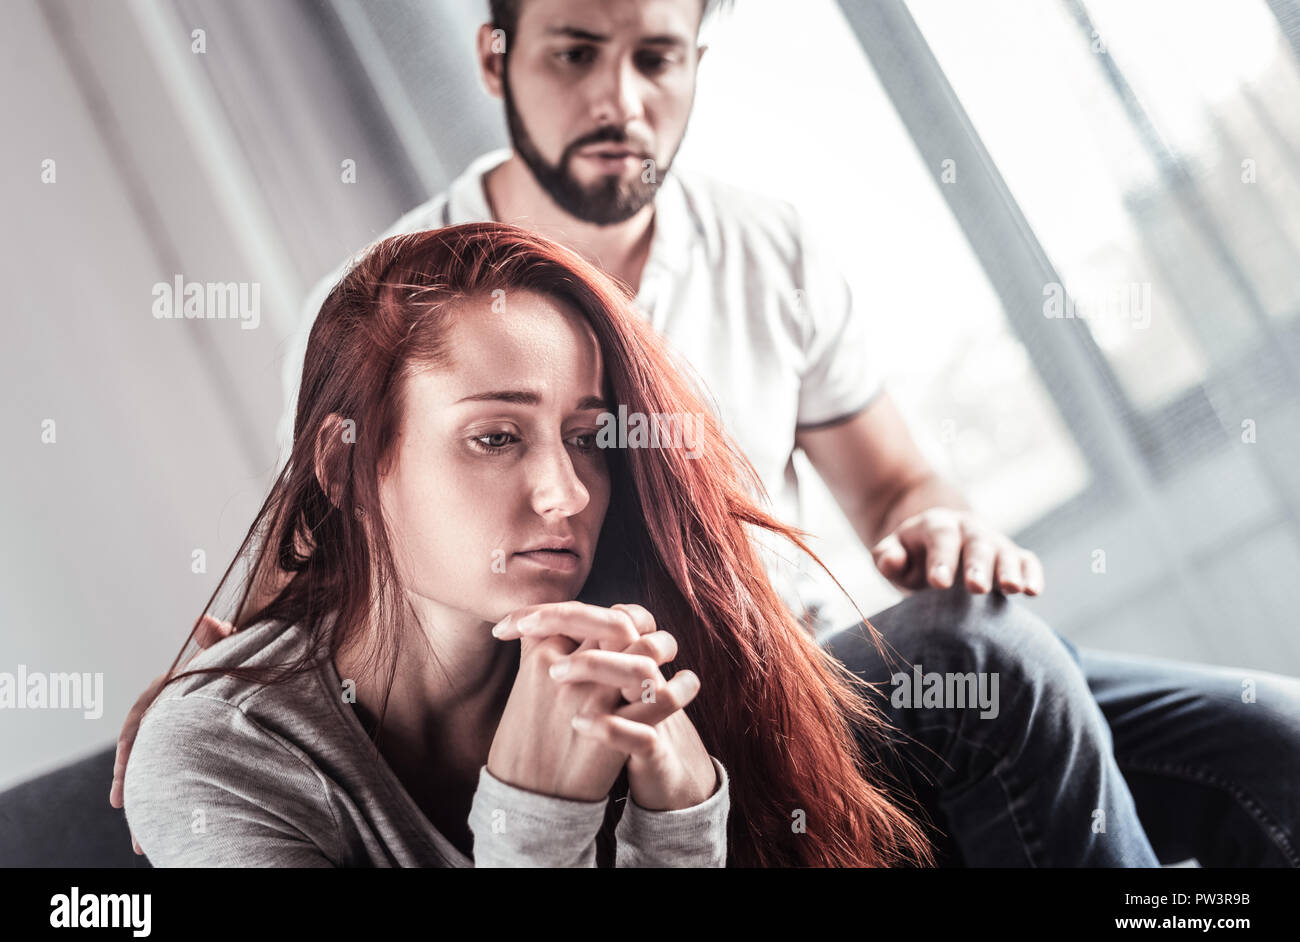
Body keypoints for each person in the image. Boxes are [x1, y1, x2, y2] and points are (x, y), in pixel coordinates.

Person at [114, 0, 1300, 866]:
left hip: (817, 661)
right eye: (575, 54)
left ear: (695, 63)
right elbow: (327, 550)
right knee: (987, 659)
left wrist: (934, 522)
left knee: (1260, 735)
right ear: (496, 59)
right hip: (684, 689)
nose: (619, 99)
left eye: (656, 59)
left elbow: (892, 481)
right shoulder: (392, 305)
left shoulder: (764, 243)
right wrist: (201, 694)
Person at [122, 222, 934, 867]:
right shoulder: (223, 756)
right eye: (498, 436)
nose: (569, 492)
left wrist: (683, 826)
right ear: (349, 463)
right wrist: (536, 826)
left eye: (587, 438)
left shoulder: (650, 648)